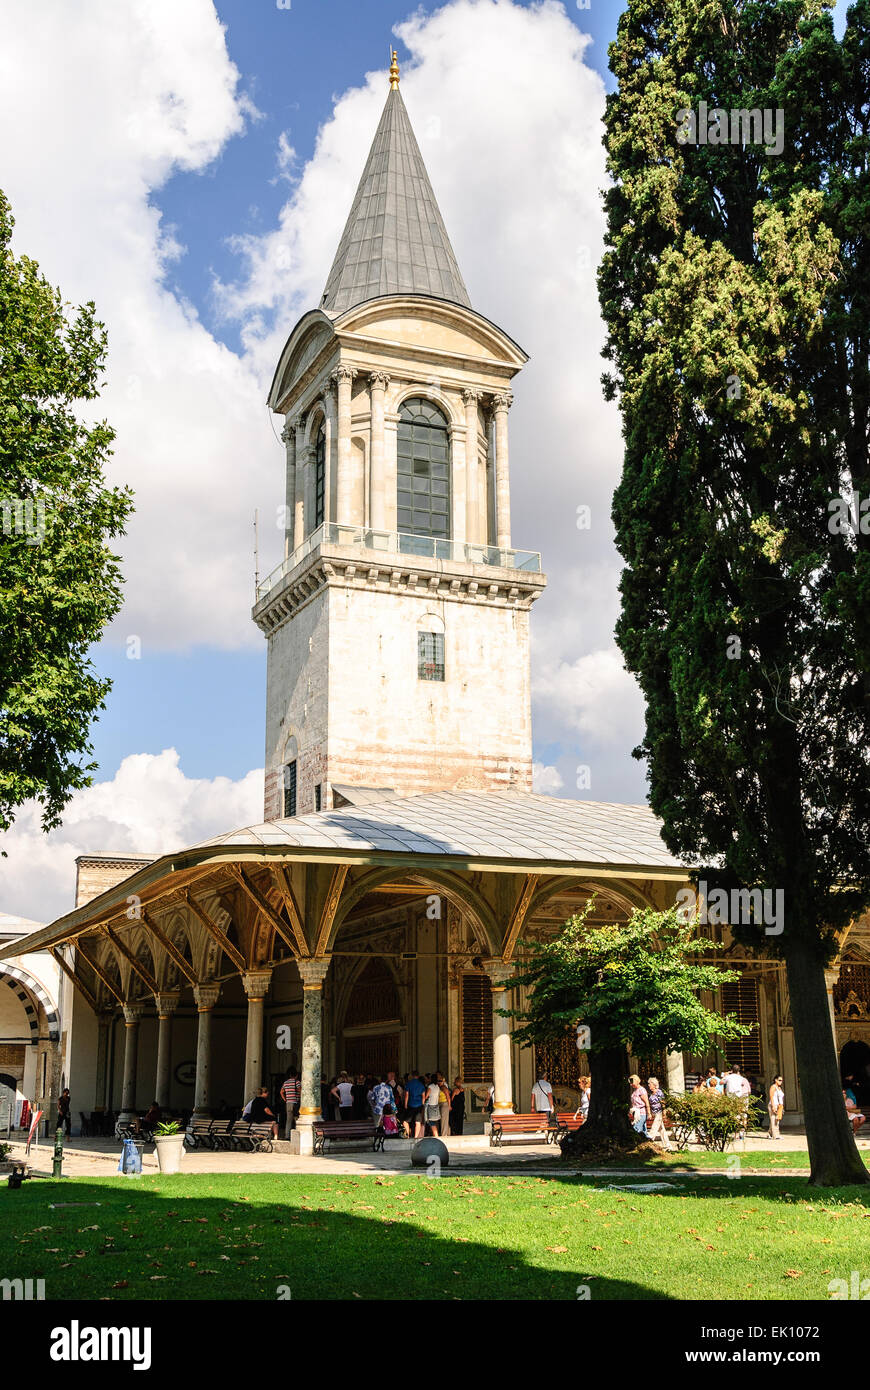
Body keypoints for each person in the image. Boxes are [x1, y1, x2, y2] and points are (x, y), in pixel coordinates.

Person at [723, 1063, 752, 1137]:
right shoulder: (742, 1079)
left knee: (735, 1116)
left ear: (732, 1070)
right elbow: (749, 1091)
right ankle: (741, 1132)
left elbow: (721, 1082)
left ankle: (737, 1133)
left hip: (733, 1098)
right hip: (740, 1098)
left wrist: (725, 1075)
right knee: (742, 1116)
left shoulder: (729, 1077)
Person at [646, 1077, 671, 1150]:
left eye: (650, 1084)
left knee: (654, 1127)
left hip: (659, 1113)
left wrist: (664, 1113)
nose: (649, 1085)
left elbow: (663, 1103)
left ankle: (649, 1141)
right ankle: (667, 1145)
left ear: (654, 1084)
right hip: (654, 1113)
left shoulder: (659, 1092)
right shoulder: (651, 1093)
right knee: (661, 1130)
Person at [405, 1069, 425, 1139]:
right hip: (419, 1105)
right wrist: (422, 1104)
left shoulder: (409, 1083)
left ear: (412, 1075)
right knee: (418, 1122)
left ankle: (408, 1135)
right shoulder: (421, 1084)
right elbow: (423, 1096)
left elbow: (407, 1095)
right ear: (418, 1076)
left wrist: (405, 1104)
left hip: (410, 1104)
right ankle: (416, 1137)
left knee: (405, 1121)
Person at [280, 1068, 300, 1137]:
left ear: (290, 1075)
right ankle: (297, 1135)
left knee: (288, 1120)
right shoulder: (297, 1082)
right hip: (295, 1103)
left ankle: (287, 1135)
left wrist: (285, 1099)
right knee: (297, 1120)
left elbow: (281, 1092)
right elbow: (300, 1091)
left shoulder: (285, 1082)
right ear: (296, 1075)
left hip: (288, 1103)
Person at [767, 1075, 785, 1139]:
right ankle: (776, 1135)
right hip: (773, 1104)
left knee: (776, 1120)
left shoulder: (779, 1088)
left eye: (782, 1080)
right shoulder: (773, 1087)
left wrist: (781, 1106)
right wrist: (773, 1105)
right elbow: (771, 1096)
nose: (781, 1082)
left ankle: (770, 1133)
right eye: (779, 1080)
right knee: (774, 1120)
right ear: (776, 1080)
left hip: (779, 1105)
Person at [436, 1072, 451, 1141]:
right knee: (444, 1120)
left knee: (444, 1120)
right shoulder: (438, 1087)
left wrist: (449, 1105)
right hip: (440, 1104)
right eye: (438, 1081)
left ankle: (444, 1135)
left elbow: (448, 1097)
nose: (439, 1082)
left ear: (443, 1081)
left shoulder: (444, 1087)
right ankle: (447, 1133)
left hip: (444, 1104)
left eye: (440, 1081)